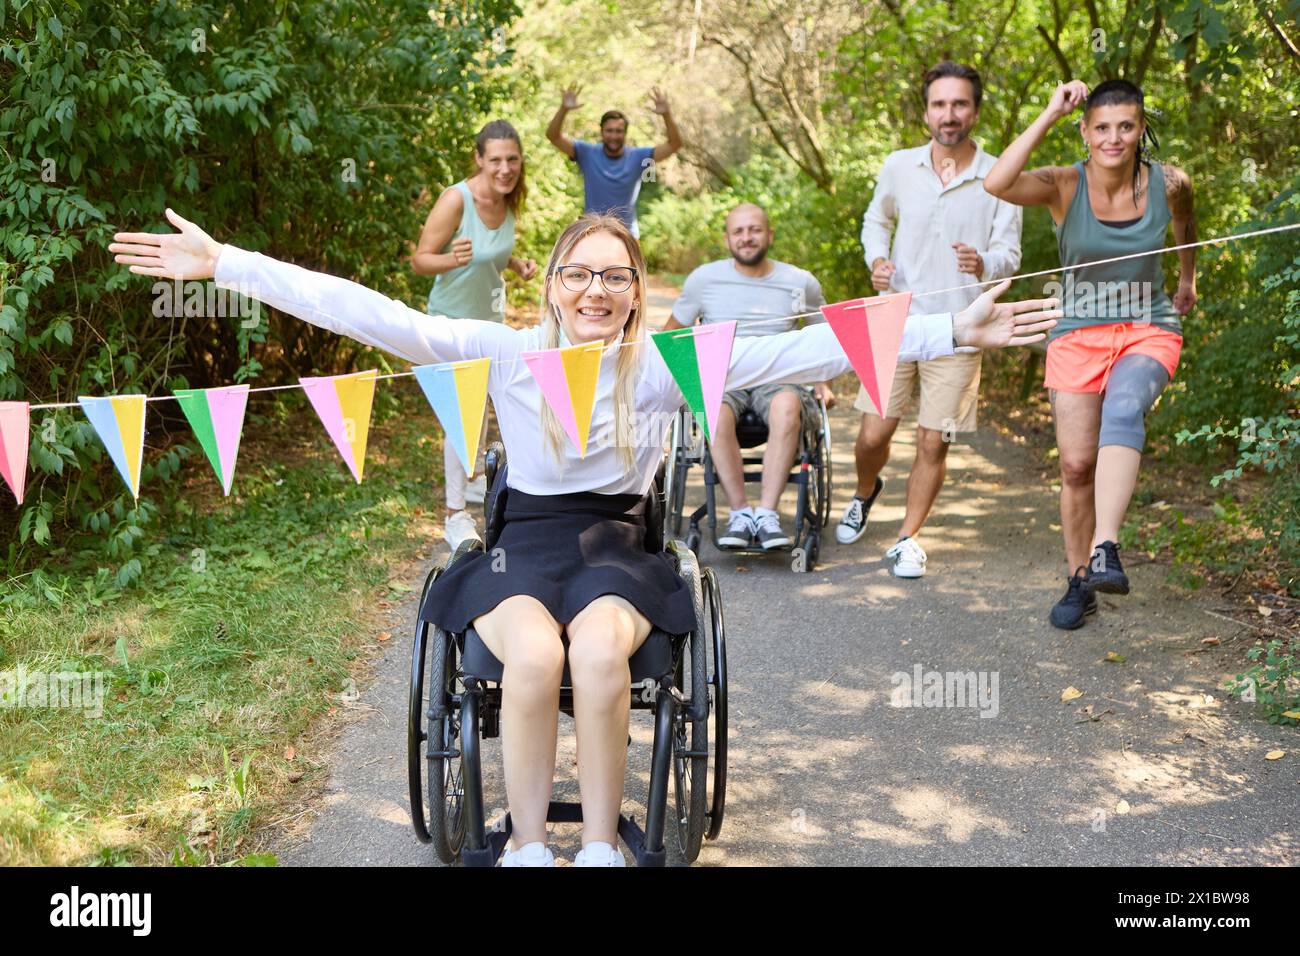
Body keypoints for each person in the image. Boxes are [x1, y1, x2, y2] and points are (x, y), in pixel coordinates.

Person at [110, 209, 1060, 867]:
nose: (597, 290)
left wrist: (949, 330)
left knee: (600, 655)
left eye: (616, 275)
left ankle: (600, 844)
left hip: (623, 548)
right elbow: (377, 313)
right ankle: (527, 845)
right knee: (530, 658)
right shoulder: (511, 354)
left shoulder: (660, 365)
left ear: (638, 291)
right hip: (522, 543)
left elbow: (805, 347)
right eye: (580, 273)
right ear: (554, 287)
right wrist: (228, 265)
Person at [984, 77, 1197, 630]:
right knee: (1077, 466)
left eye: (1126, 126)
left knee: (1124, 407)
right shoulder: (1063, 185)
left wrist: (1187, 281)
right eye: (1102, 127)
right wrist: (1050, 111)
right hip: (1076, 331)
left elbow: (1186, 226)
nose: (1114, 137)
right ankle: (1081, 580)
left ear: (1141, 128)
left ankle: (1107, 547)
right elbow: (996, 182)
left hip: (1148, 326)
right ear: (1085, 131)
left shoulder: (1169, 183)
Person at [838, 61, 1024, 579]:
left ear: (976, 111)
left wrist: (986, 263)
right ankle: (864, 490)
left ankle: (907, 539)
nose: (949, 114)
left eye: (959, 104)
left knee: (932, 439)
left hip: (961, 329)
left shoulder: (1000, 175)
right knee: (873, 435)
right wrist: (877, 259)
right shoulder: (900, 166)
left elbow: (1011, 251)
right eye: (940, 104)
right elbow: (876, 220)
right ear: (926, 112)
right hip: (895, 321)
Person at [664, 203, 833, 550]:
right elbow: (671, 336)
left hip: (780, 376)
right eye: (738, 231)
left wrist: (823, 382)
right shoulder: (704, 279)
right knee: (710, 406)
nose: (747, 238)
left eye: (754, 229)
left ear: (769, 234)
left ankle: (767, 515)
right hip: (722, 377)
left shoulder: (799, 282)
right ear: (727, 239)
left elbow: (825, 337)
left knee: (788, 405)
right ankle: (740, 513)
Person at [411, 120, 537, 550]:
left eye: (513, 160)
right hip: (447, 323)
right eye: (496, 160)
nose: (505, 168)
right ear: (479, 159)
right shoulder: (455, 200)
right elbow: (420, 261)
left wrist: (515, 265)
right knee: (461, 417)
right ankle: (453, 515)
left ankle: (469, 486)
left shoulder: (508, 201)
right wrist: (450, 260)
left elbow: (491, 253)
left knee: (483, 411)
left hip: (489, 324)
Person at [546, 86, 683, 238]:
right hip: (592, 234)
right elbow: (553, 136)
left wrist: (667, 114)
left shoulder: (640, 157)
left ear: (625, 133)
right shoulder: (586, 153)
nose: (614, 135)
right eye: (609, 130)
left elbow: (674, 144)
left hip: (626, 236)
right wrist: (563, 109)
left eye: (619, 131)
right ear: (601, 131)